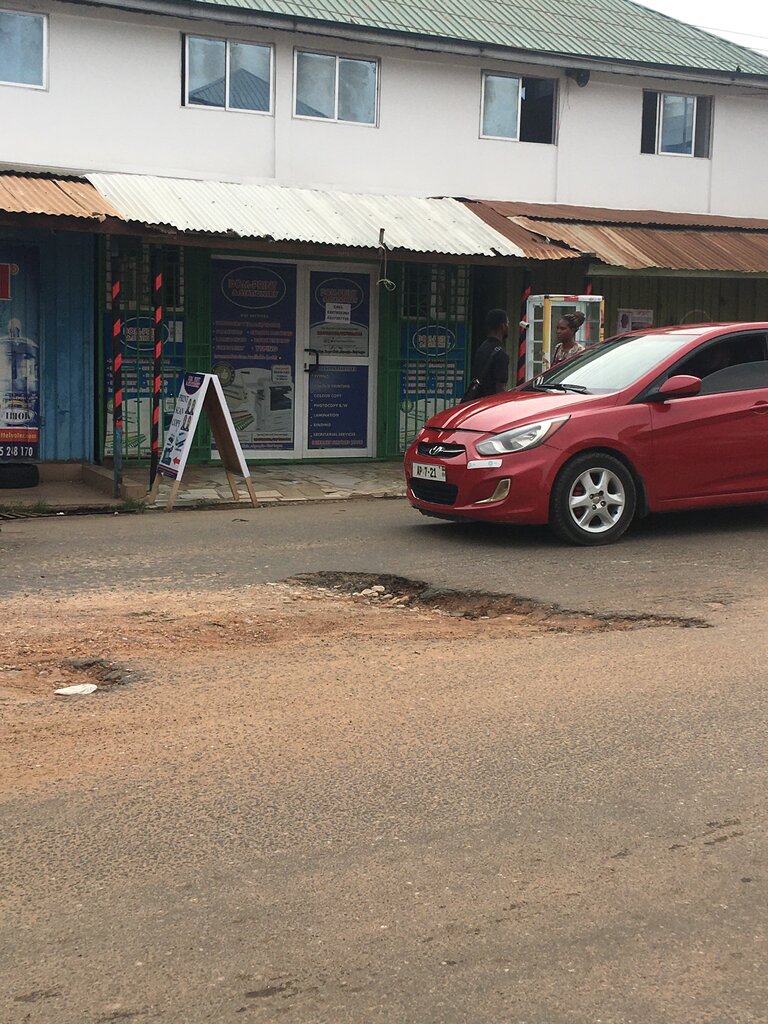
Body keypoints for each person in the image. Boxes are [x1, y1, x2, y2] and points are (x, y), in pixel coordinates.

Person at [470, 309, 510, 397]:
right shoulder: (501, 355)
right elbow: (500, 389)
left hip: (478, 402)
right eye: (507, 323)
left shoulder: (481, 348)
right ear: (502, 326)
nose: (508, 327)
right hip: (491, 403)